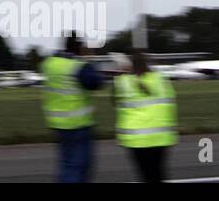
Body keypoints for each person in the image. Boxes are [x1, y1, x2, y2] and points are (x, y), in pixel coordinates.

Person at [40, 34, 102, 182]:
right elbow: (95, 83)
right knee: (79, 166)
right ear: (80, 47)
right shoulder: (78, 66)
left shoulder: (50, 64)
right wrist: (88, 60)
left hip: (57, 122)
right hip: (77, 124)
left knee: (66, 163)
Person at [113, 49, 178, 182]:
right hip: (161, 136)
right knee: (158, 173)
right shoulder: (160, 79)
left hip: (136, 139)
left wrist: (122, 73)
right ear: (148, 63)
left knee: (145, 175)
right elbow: (171, 101)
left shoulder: (122, 82)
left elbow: (114, 101)